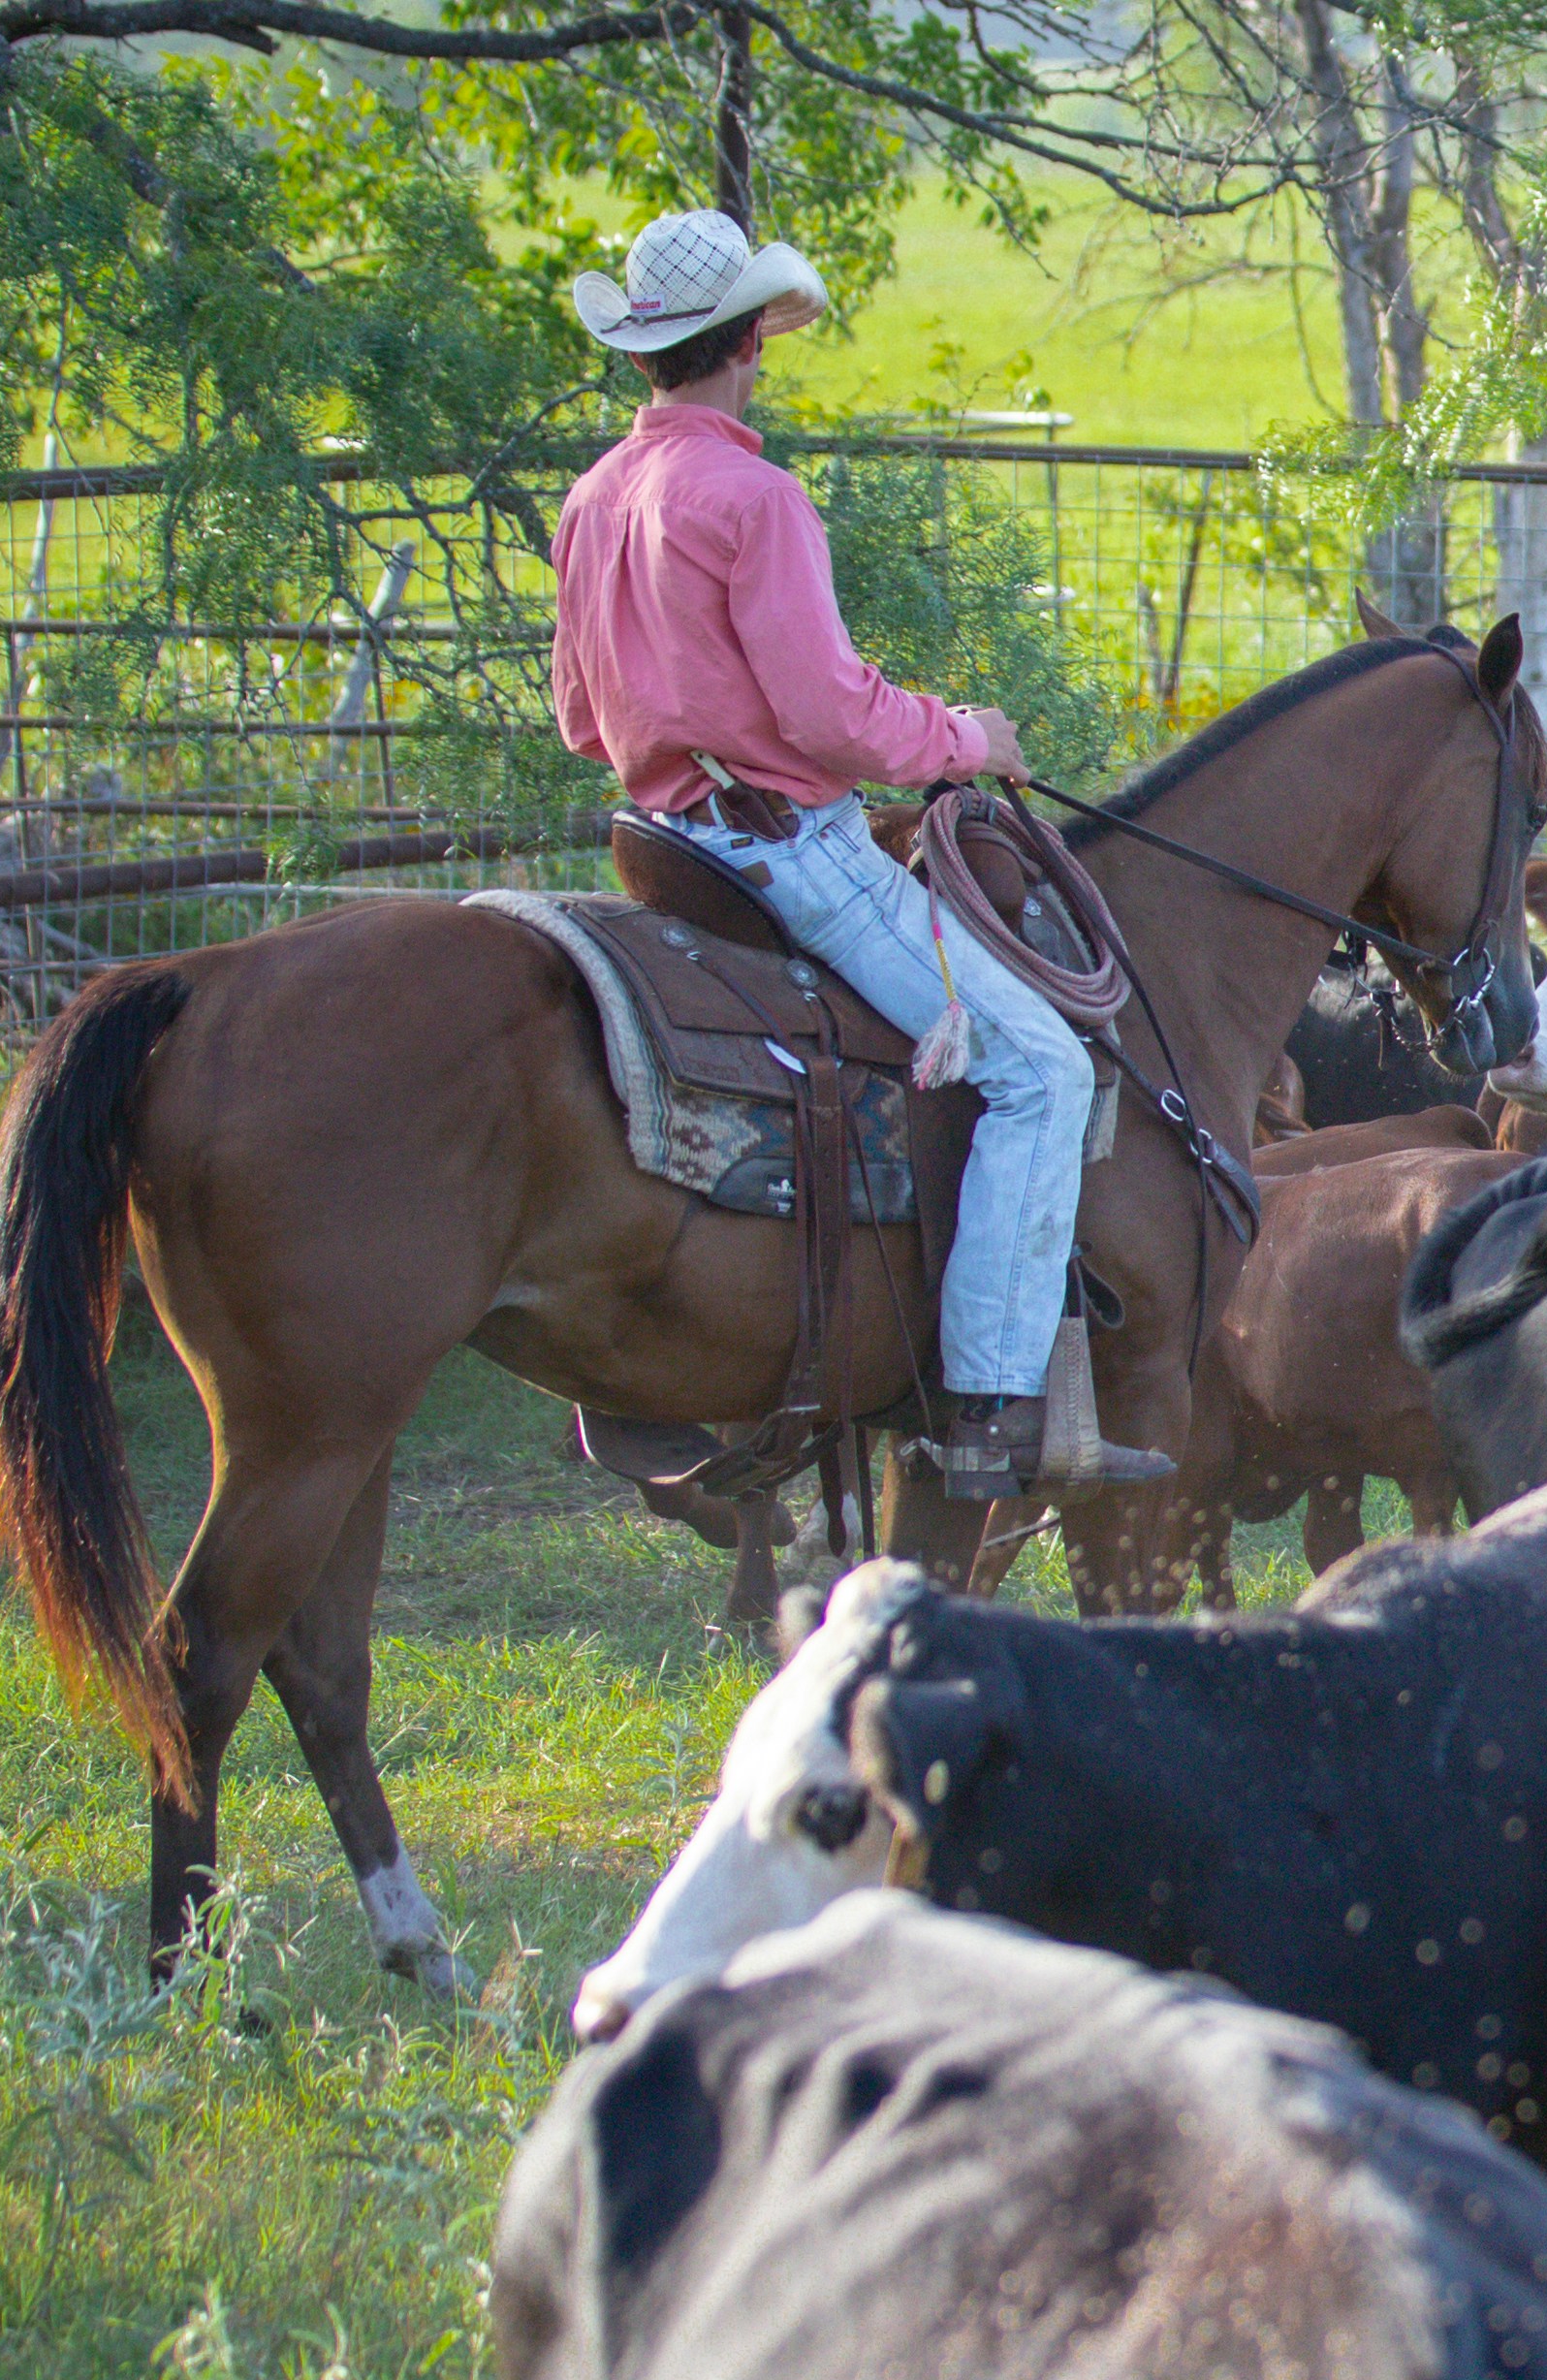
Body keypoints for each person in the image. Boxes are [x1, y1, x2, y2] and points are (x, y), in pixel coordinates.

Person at [548, 206, 1165, 1498]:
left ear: (647, 355)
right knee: (1043, 1071)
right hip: (786, 851)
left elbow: (574, 717)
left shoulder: (596, 495)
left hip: (658, 837)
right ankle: (997, 1410)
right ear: (752, 345)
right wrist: (965, 734)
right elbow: (831, 717)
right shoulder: (754, 498)